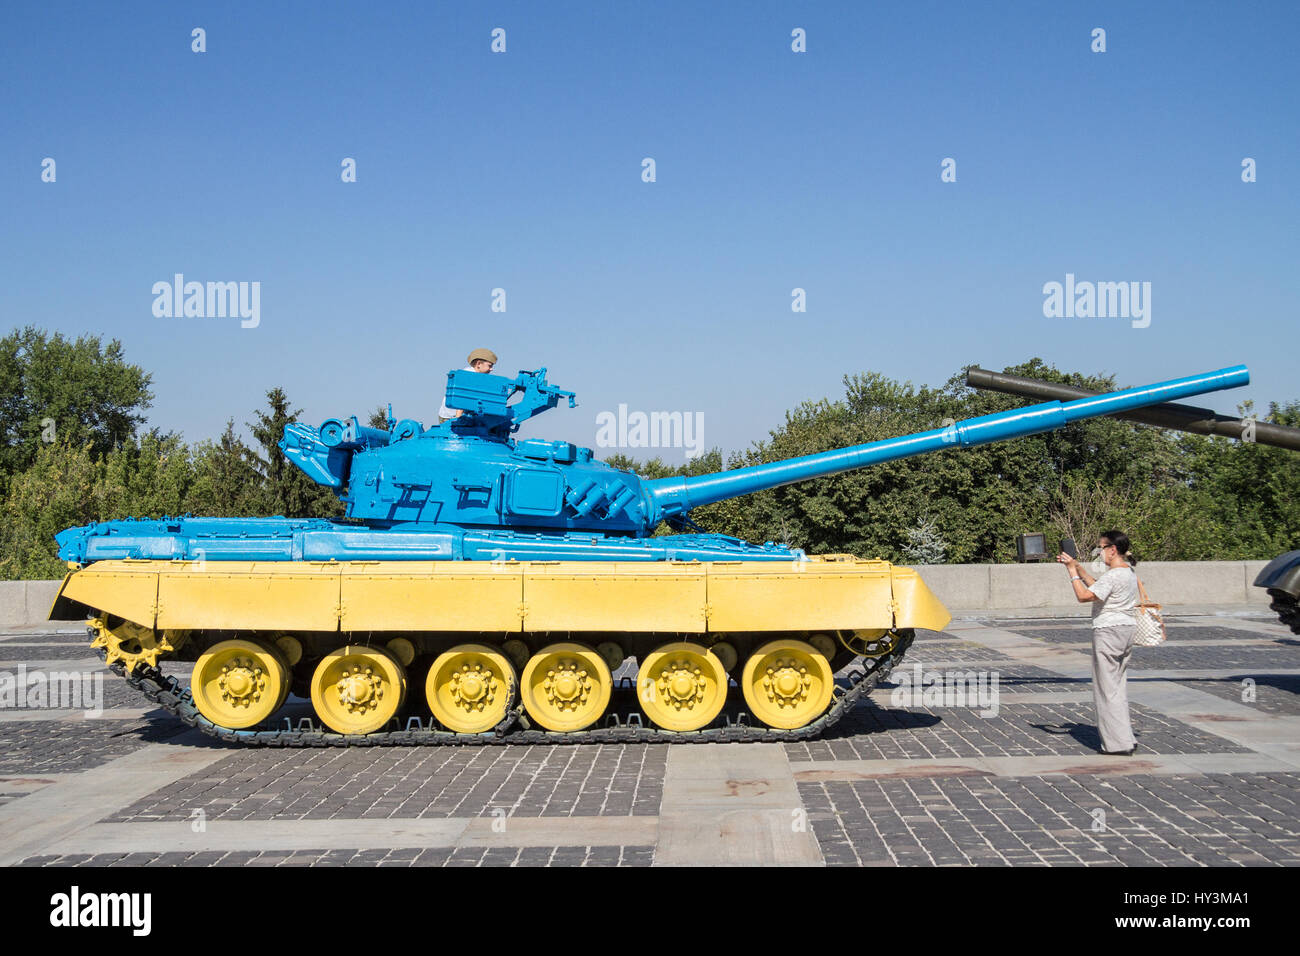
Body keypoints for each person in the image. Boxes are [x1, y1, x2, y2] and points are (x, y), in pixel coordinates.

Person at [1056, 530, 1140, 755]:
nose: (1099, 553)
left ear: (1112, 550)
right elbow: (1097, 586)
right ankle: (1126, 738)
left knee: (1106, 689)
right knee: (1117, 688)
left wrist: (1072, 573)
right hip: (1126, 630)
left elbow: (1084, 596)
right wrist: (1077, 566)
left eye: (1101, 548)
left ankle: (1117, 744)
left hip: (1108, 632)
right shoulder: (1127, 572)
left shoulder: (1114, 575)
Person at [438, 348, 498, 421]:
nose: (491, 369)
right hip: (449, 417)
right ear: (478, 364)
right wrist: (458, 420)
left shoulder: (472, 374)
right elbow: (461, 401)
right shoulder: (470, 376)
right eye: (490, 366)